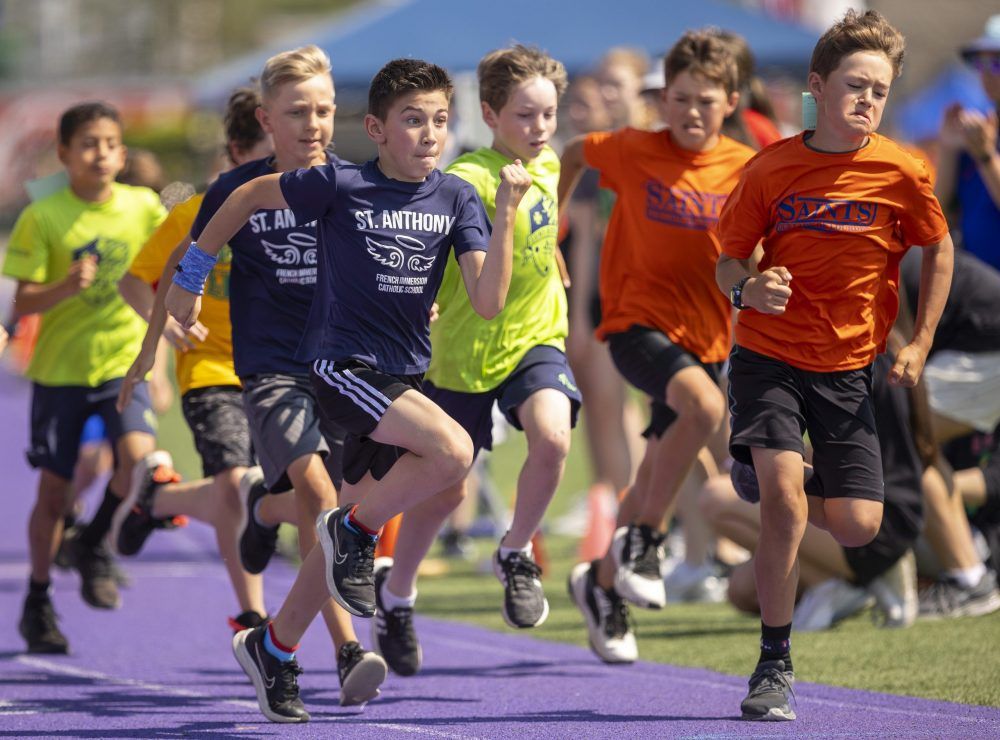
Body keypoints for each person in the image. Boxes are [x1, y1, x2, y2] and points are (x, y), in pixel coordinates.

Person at [165, 57, 530, 723]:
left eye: (441, 122)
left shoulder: (457, 198)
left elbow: (487, 300)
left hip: (398, 376)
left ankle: (274, 647)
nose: (428, 134)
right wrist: (192, 274)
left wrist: (506, 212)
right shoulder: (341, 184)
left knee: (365, 516)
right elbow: (245, 199)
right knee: (450, 452)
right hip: (337, 368)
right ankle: (357, 537)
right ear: (377, 129)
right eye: (413, 121)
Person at [124, 47, 389, 708]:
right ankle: (347, 643)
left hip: (338, 372)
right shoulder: (235, 192)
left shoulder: (355, 186)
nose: (314, 123)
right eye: (298, 111)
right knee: (320, 494)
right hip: (267, 371)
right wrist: (149, 350)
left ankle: (273, 611)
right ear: (267, 119)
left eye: (325, 109)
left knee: (313, 506)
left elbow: (384, 270)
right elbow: (175, 272)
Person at [715, 10, 954, 721]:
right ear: (817, 86)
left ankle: (759, 473)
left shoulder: (904, 169)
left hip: (852, 369)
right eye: (855, 86)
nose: (868, 102)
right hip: (769, 356)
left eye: (880, 90)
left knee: (855, 525)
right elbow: (728, 259)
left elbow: (936, 247)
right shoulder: (772, 168)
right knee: (786, 501)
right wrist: (748, 287)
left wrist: (920, 342)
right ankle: (774, 666)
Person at [369, 45, 574, 677]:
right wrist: (419, 303)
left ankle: (515, 553)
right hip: (460, 353)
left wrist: (557, 264)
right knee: (445, 487)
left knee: (552, 437)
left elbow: (545, 232)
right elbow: (429, 246)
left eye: (548, 115)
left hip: (536, 337)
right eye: (524, 116)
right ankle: (397, 598)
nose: (539, 129)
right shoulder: (467, 179)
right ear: (489, 113)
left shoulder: (551, 163)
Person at [559, 30, 755, 664]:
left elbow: (757, 249)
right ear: (662, 98)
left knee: (654, 469)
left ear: (729, 101)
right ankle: (644, 540)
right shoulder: (631, 148)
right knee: (702, 409)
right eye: (679, 98)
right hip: (633, 323)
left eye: (705, 100)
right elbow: (569, 154)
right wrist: (548, 232)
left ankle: (602, 584)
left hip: (709, 336)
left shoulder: (744, 166)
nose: (691, 112)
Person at [3, 102, 167, 653]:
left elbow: (169, 272)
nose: (101, 154)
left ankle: (94, 541)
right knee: (53, 493)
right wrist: (64, 288)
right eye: (89, 144)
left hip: (123, 362)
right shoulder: (43, 217)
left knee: (137, 460)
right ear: (65, 154)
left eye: (111, 144)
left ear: (123, 153)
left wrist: (164, 348)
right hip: (60, 373)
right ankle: (38, 598)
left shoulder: (144, 207)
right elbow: (21, 300)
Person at [114, 86, 274, 635]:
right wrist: (168, 330)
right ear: (236, 150)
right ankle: (252, 613)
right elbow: (135, 281)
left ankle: (158, 498)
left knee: (263, 491)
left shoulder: (306, 210)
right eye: (269, 155)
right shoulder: (195, 210)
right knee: (236, 485)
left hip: (282, 368)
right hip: (210, 368)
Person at [935, 15, 1000, 270]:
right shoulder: (980, 128)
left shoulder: (980, 138)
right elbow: (940, 213)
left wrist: (985, 157)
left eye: (996, 64)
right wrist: (948, 148)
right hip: (976, 288)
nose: (986, 74)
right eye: (980, 65)